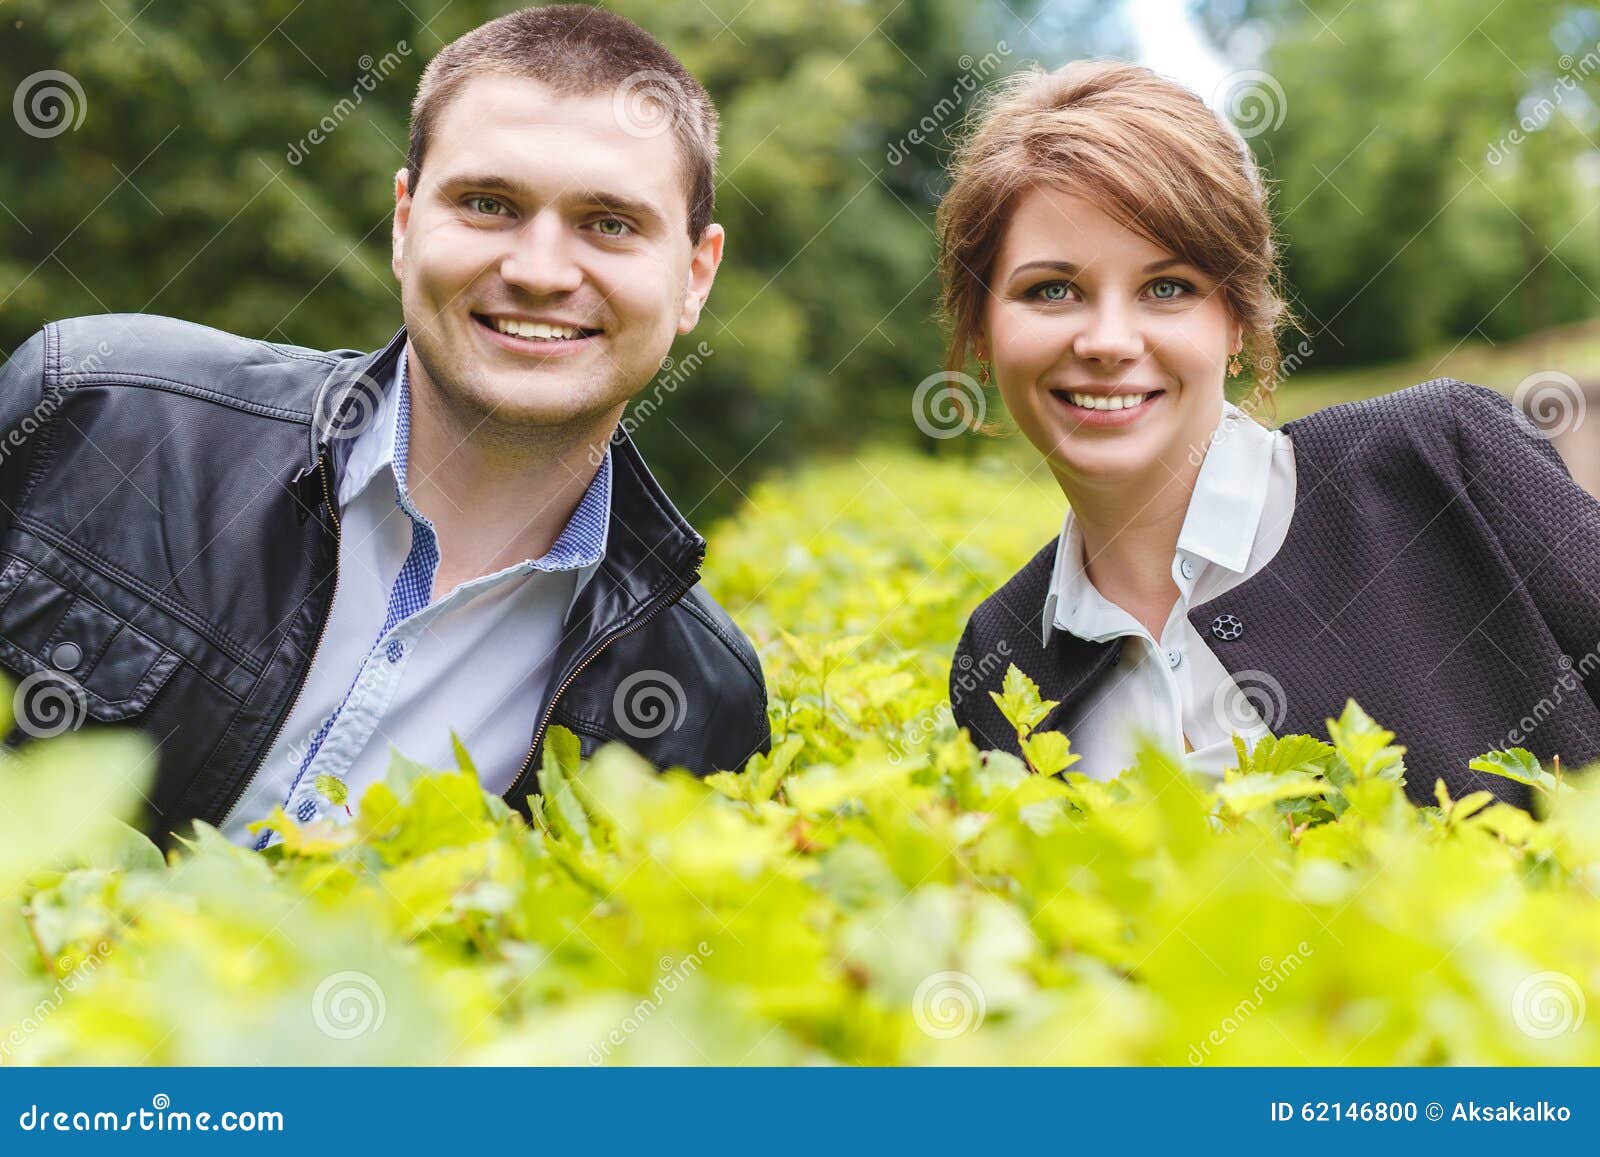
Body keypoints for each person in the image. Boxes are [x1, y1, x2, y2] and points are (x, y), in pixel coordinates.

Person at [0, 5, 770, 847]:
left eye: (610, 224)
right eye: (488, 203)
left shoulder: (702, 703)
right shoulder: (91, 415)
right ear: (405, 224)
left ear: (696, 275)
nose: (539, 271)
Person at [944, 60, 1600, 811]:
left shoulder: (1442, 460)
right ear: (982, 329)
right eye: (1052, 290)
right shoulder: (996, 659)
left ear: (1236, 319)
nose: (1109, 341)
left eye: (1167, 287)